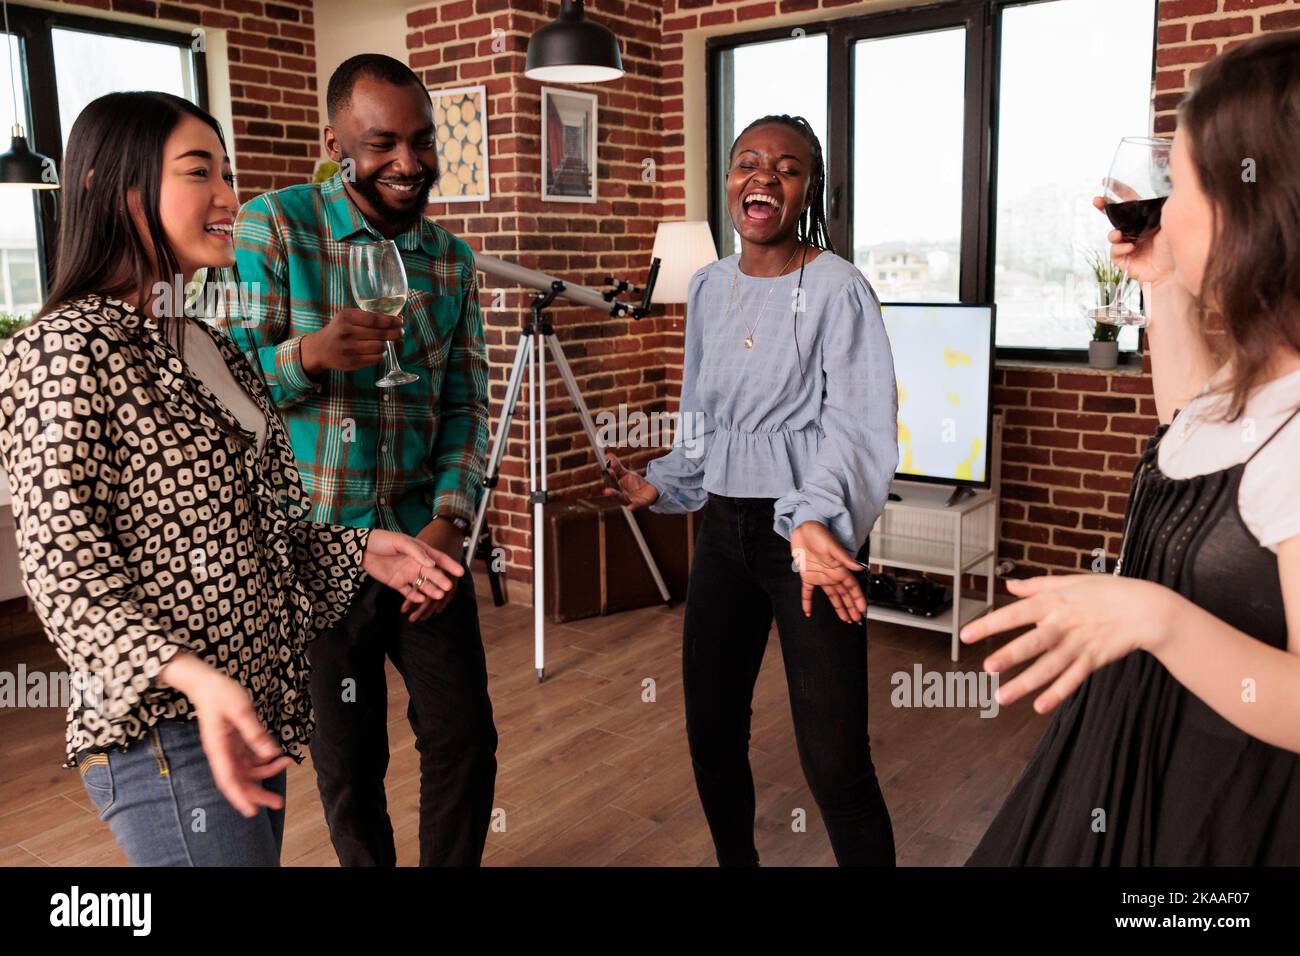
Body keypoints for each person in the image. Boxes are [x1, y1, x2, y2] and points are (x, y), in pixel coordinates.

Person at [0, 91, 462, 867]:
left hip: (244, 710)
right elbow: (64, 572)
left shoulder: (205, 343)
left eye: (227, 173)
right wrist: (197, 680)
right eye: (198, 173)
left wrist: (360, 549)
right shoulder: (66, 348)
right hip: (165, 728)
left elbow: (257, 530)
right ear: (116, 189)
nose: (228, 198)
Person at [962, 31, 1300, 865]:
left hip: (1216, 810)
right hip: (1127, 753)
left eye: (1177, 183)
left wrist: (1153, 614)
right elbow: (1193, 438)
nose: (1161, 206)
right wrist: (1163, 285)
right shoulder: (1259, 375)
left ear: (1249, 206)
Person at [605, 114, 900, 866]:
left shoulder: (840, 289)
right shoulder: (708, 286)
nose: (764, 176)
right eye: (748, 162)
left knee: (835, 759)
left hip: (807, 541)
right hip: (723, 535)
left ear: (808, 191)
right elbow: (701, 413)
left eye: (788, 168)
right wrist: (665, 483)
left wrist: (813, 519)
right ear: (730, 179)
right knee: (711, 733)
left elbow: (859, 430)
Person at [227, 54, 496, 867]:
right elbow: (223, 392)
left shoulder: (451, 259)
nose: (408, 163)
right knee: (349, 764)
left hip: (421, 540)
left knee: (465, 740)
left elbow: (466, 406)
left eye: (422, 140)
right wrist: (308, 356)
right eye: (382, 143)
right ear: (335, 144)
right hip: (319, 549)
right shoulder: (273, 228)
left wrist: (450, 522)